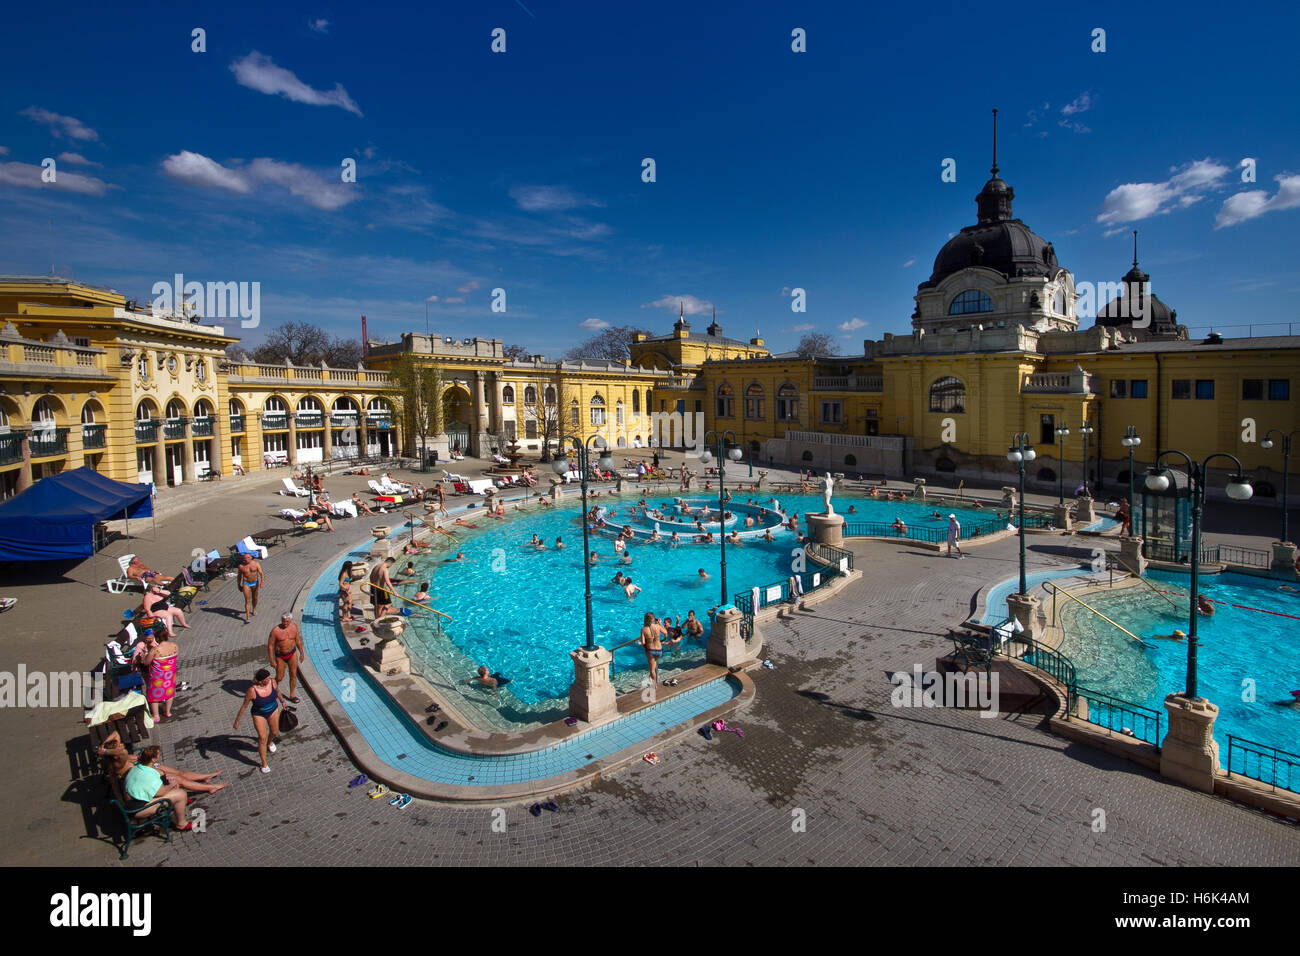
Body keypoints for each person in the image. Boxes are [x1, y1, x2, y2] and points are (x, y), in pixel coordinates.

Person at [97, 732, 226, 794]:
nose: (122, 745)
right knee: (180, 779)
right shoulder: (118, 761)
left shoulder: (117, 756)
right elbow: (121, 752)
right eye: (119, 746)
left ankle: (205, 777)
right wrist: (106, 752)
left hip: (146, 767)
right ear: (114, 753)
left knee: (179, 773)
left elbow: (116, 734)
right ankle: (209, 788)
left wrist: (103, 747)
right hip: (145, 775)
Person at [123, 746, 195, 830]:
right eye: (158, 754)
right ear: (153, 759)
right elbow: (161, 792)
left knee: (170, 783)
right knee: (181, 794)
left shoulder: (137, 767)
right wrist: (171, 785)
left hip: (131, 803)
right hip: (138, 809)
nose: (159, 756)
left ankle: (180, 803)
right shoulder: (150, 775)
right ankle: (181, 824)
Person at [233, 669, 284, 774]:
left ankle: (270, 743)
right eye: (267, 679)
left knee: (274, 732)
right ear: (260, 681)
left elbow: (278, 691)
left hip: (273, 710)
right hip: (259, 714)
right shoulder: (252, 691)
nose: (269, 679)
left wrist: (283, 701)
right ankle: (264, 763)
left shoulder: (272, 682)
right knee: (262, 738)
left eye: (269, 677)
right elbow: (244, 706)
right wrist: (237, 720)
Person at [140, 631, 180, 722]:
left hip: (157, 676)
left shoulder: (156, 650)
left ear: (157, 638)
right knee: (169, 692)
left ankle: (156, 716)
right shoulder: (174, 646)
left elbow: (146, 663)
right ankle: (168, 712)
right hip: (170, 674)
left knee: (154, 695)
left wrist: (144, 655)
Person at [268, 613, 306, 703]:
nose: (285, 623)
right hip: (280, 656)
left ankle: (292, 695)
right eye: (283, 621)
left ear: (290, 620)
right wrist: (272, 660)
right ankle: (272, 686)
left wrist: (301, 653)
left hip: (292, 654)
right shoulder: (275, 631)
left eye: (287, 622)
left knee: (293, 674)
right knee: (280, 677)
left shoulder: (294, 627)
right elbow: (270, 646)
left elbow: (297, 640)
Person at [237, 551, 263, 623]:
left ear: (251, 557)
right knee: (247, 600)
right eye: (245, 558)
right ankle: (247, 616)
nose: (246, 559)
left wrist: (262, 582)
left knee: (255, 598)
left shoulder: (256, 564)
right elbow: (239, 577)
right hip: (246, 583)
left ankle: (254, 609)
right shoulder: (241, 566)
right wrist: (239, 585)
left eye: (248, 557)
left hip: (255, 583)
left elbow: (261, 573)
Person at [640, 612, 665, 684]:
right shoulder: (658, 626)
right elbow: (665, 633)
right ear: (653, 619)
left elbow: (643, 642)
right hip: (659, 650)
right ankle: (652, 679)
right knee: (654, 667)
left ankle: (655, 685)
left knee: (652, 670)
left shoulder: (643, 629)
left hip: (650, 651)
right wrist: (659, 624)